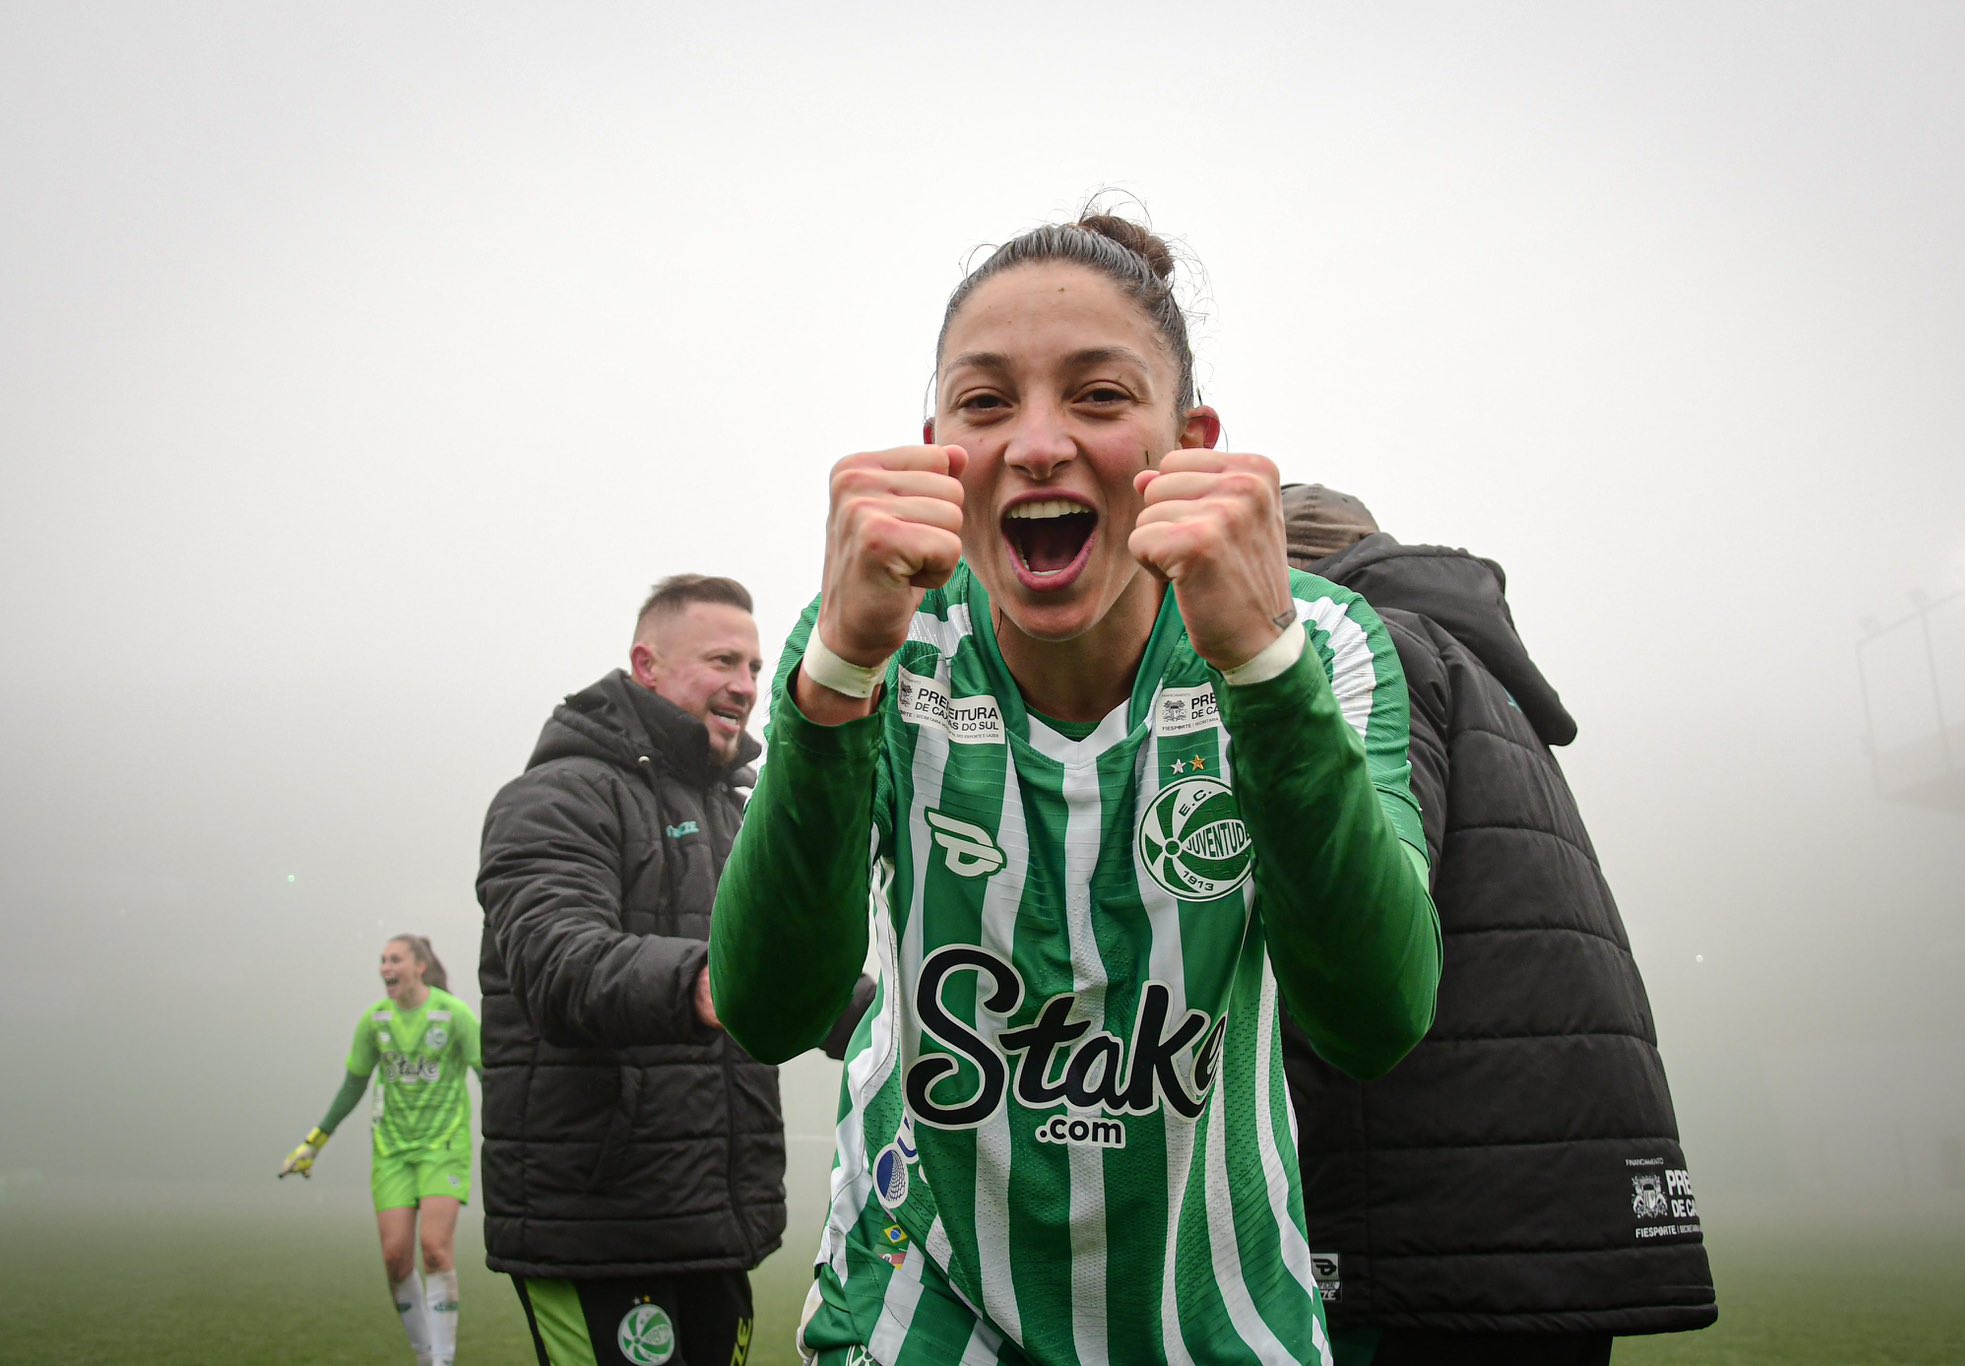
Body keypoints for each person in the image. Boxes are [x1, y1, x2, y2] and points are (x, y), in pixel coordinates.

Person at [708, 212, 1444, 1366]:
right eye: (986, 403)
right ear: (933, 449)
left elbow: (1375, 1016)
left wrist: (1261, 666)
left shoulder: (1320, 641)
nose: (1038, 443)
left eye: (1098, 397)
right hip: (916, 1308)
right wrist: (836, 675)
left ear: (1187, 443)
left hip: (1215, 1320)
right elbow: (769, 1006)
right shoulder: (880, 642)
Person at [1278, 485, 1717, 1365]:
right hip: (1542, 1204)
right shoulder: (1486, 683)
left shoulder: (1376, 655)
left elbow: (1352, 924)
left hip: (1419, 1212)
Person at [476, 573, 875, 1366]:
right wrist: (726, 982)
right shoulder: (555, 797)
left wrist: (901, 1025)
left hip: (718, 1223)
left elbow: (790, 976)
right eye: (723, 660)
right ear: (645, 665)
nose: (746, 686)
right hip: (601, 1224)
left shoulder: (741, 812)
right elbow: (560, 964)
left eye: (758, 669)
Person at [279, 933, 480, 1366]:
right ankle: (425, 1355)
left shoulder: (453, 1015)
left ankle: (442, 1361)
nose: (386, 967)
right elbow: (354, 1085)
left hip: (443, 1146)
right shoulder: (375, 1022)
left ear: (419, 967)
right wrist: (314, 1143)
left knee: (435, 1249)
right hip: (392, 1152)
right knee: (395, 1258)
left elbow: (489, 1075)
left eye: (395, 959)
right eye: (382, 960)